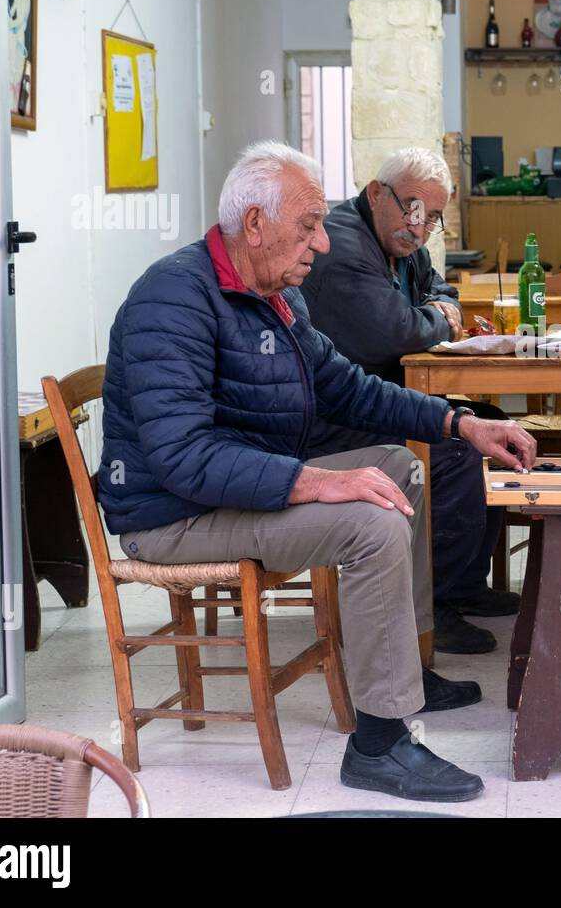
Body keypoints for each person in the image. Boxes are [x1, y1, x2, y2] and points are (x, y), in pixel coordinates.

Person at [99, 141, 537, 801]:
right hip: (174, 514)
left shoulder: (276, 293)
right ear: (254, 223)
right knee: (368, 517)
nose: (322, 243)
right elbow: (183, 457)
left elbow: (349, 388)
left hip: (241, 484)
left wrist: (459, 423)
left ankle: (404, 663)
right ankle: (380, 742)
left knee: (400, 467)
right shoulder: (173, 300)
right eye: (307, 226)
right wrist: (320, 481)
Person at [301, 147, 513, 655]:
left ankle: (463, 585)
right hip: (331, 420)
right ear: (377, 194)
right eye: (413, 208)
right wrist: (439, 317)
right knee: (459, 453)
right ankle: (435, 602)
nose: (420, 226)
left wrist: (436, 309)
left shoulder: (401, 240)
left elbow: (440, 288)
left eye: (433, 217)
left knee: (492, 425)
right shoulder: (345, 245)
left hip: (380, 401)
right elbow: (395, 332)